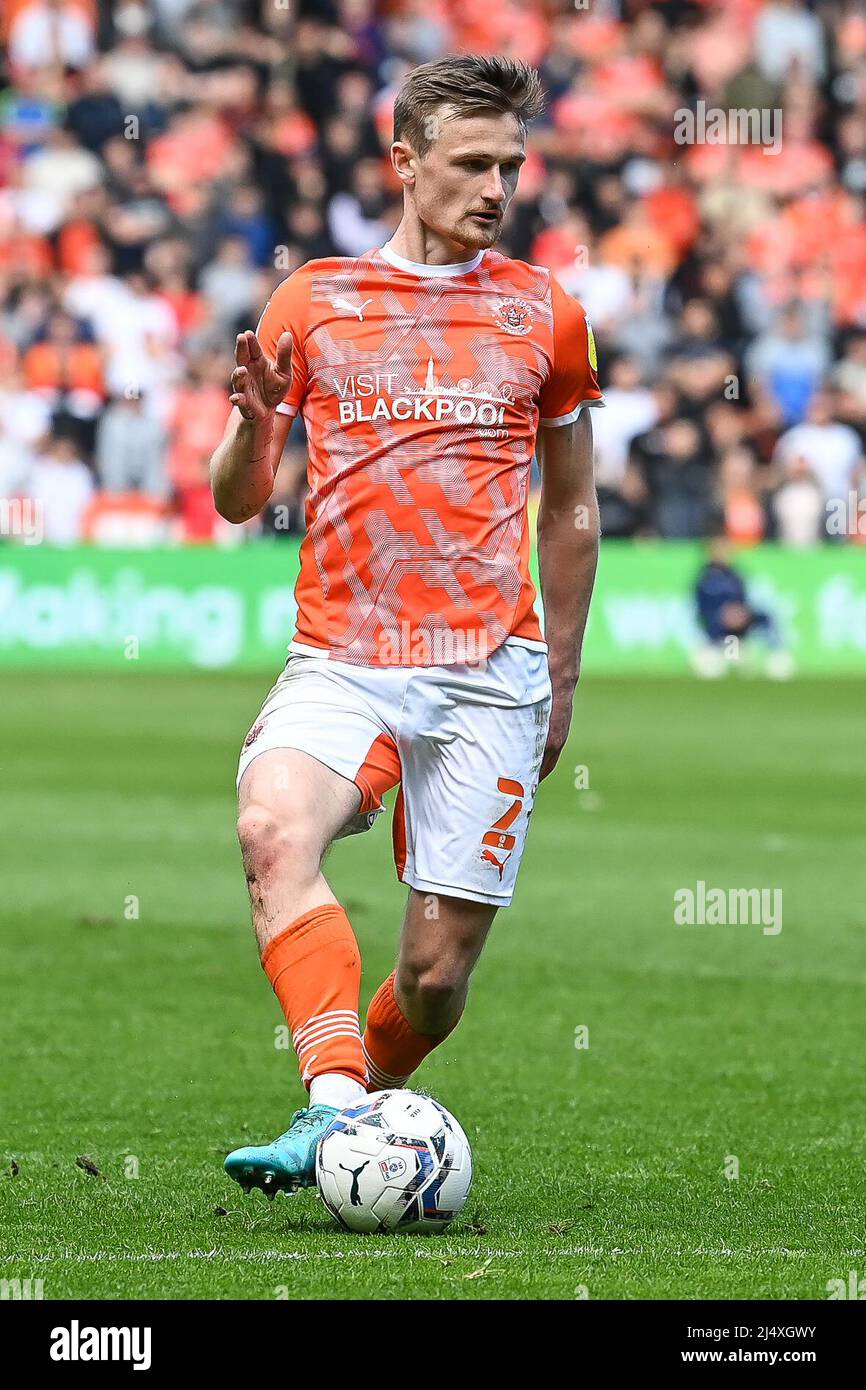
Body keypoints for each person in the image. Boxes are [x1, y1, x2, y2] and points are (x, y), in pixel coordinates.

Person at [209, 54, 603, 1196]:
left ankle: (357, 1099)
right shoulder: (312, 300)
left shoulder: (545, 312)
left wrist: (563, 678)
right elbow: (238, 495)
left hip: (492, 671)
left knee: (433, 980)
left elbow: (571, 504)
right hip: (342, 657)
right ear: (403, 162)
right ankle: (333, 1107)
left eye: (510, 166)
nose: (496, 186)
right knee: (271, 830)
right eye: (472, 163)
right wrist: (250, 431)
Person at [693, 534, 793, 679]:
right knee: (720, 626)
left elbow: (742, 599)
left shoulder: (735, 575)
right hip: (715, 618)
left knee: (765, 618)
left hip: (737, 616)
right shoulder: (705, 577)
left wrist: (740, 611)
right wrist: (723, 613)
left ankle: (777, 657)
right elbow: (702, 605)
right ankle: (716, 654)